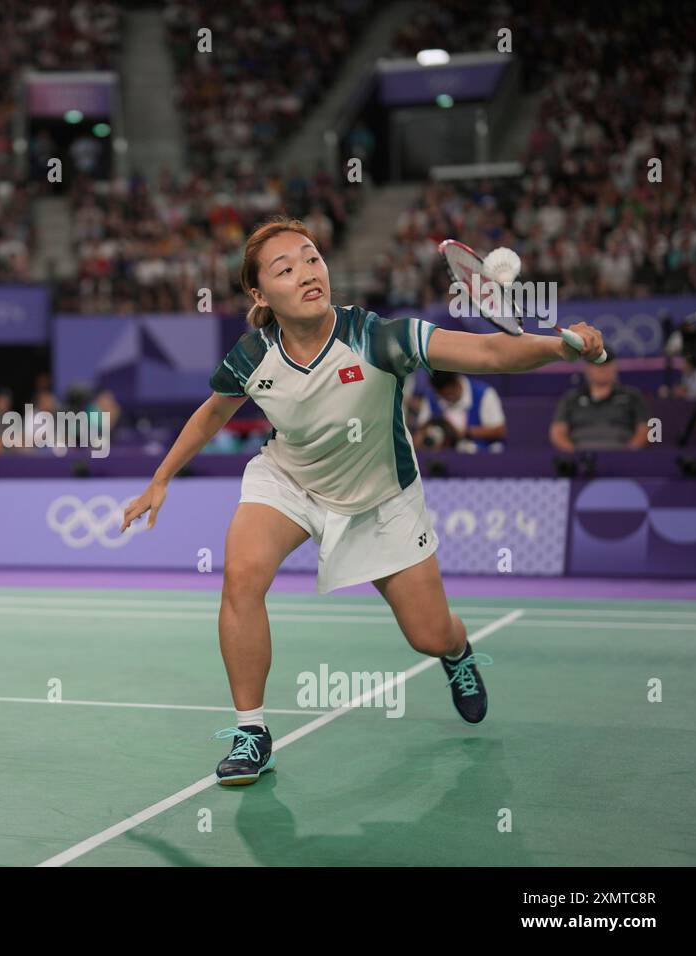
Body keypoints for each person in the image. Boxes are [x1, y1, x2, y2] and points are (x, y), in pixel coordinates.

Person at [121, 217, 605, 786]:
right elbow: (213, 412)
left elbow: (492, 353)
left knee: (428, 634)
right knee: (241, 574)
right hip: (290, 482)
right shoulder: (253, 354)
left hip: (381, 499)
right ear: (259, 294)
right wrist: (161, 478)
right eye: (285, 269)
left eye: (311, 258)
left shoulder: (378, 337)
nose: (306, 273)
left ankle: (457, 650)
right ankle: (251, 732)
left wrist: (562, 347)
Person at [549, 352, 650, 451]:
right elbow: (558, 431)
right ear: (588, 368)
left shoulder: (632, 396)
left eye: (606, 364)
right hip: (582, 453)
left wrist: (629, 456)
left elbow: (644, 429)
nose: (602, 369)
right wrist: (573, 455)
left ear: (615, 367)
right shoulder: (571, 398)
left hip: (621, 451)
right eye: (597, 364)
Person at [413, 369, 507, 452]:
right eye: (443, 395)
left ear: (456, 383)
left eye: (449, 393)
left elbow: (499, 431)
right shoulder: (431, 396)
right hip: (443, 458)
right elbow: (421, 430)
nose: (447, 398)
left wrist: (464, 433)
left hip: (480, 455)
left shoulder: (484, 393)